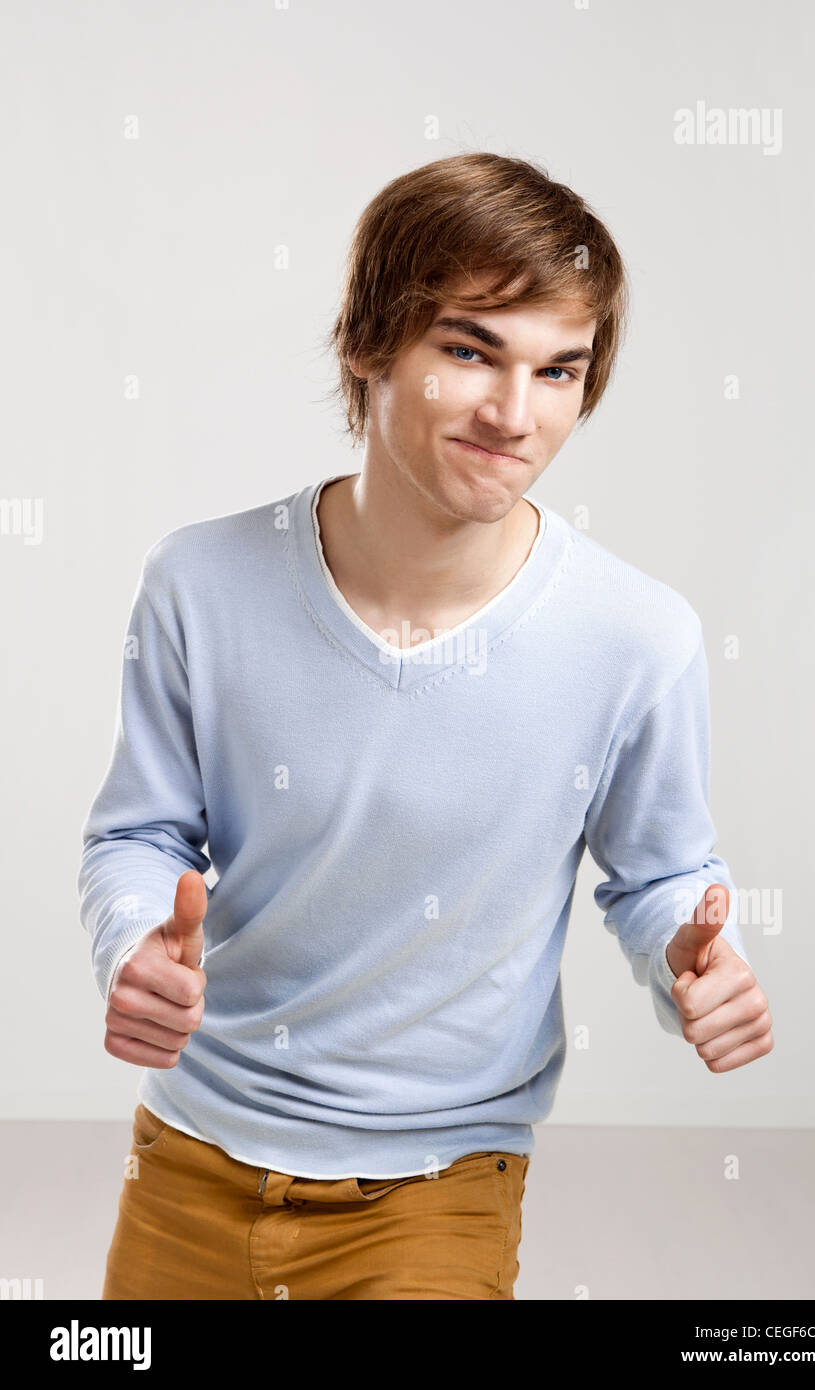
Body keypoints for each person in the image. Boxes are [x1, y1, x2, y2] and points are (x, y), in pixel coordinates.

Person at [79, 151, 773, 1302]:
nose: (515, 414)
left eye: (558, 370)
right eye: (469, 351)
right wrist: (135, 939)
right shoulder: (199, 582)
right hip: (190, 1156)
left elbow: (661, 877)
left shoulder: (635, 635)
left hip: (437, 1184)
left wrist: (693, 959)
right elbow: (140, 835)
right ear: (369, 343)